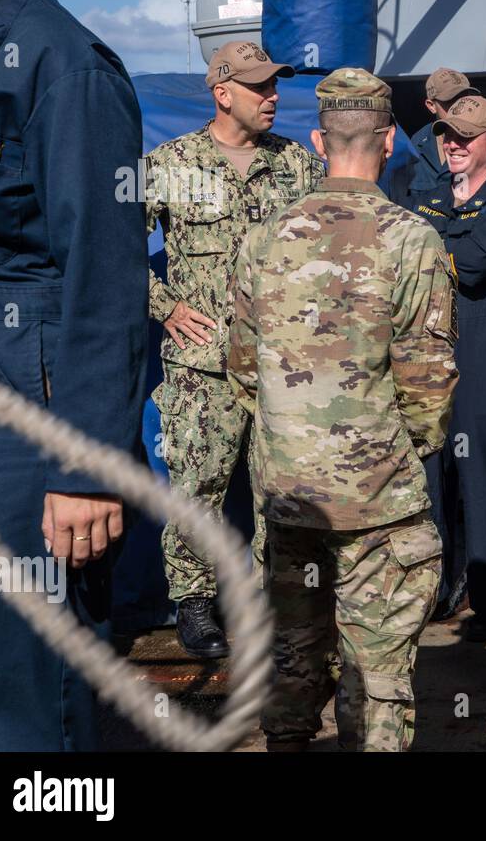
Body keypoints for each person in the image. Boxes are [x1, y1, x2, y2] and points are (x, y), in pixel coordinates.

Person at [0, 0, 148, 750]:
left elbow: (106, 277)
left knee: (22, 699)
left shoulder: (59, 64)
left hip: (28, 426)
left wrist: (86, 465)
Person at [227, 68, 457, 751]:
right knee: (378, 677)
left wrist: (292, 443)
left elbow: (242, 368)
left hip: (289, 493)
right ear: (388, 141)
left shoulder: (264, 238)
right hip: (377, 497)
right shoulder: (412, 240)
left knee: (293, 659)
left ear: (318, 140)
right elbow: (429, 381)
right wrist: (398, 449)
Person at [146, 40, 323, 660]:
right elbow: (110, 244)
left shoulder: (298, 166)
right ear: (222, 93)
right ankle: (193, 604)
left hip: (279, 367)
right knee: (199, 487)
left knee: (277, 493)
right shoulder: (171, 163)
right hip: (203, 369)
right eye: (259, 88)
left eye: (275, 86)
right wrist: (164, 306)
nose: (273, 97)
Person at [406, 95, 486, 642]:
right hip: (429, 351)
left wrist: (437, 249)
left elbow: (477, 265)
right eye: (446, 136)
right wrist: (448, 245)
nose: (452, 145)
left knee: (485, 476)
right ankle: (437, 588)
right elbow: (406, 255)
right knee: (431, 476)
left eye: (465, 137)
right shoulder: (426, 198)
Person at [391, 67, 486, 205]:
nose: (458, 106)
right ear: (431, 105)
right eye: (450, 101)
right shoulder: (417, 144)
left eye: (464, 99)